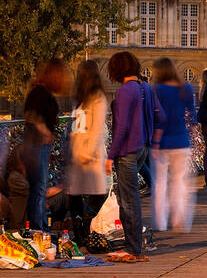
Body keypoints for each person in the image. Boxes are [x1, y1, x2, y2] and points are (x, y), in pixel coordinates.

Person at [105, 51, 164, 262]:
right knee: (131, 198)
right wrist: (152, 141)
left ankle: (133, 248)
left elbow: (121, 127)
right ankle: (134, 245)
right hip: (143, 148)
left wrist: (111, 156)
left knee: (128, 200)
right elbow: (160, 115)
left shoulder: (125, 91)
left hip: (128, 151)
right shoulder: (145, 87)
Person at [21, 58, 71, 231]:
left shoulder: (40, 91)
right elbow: (31, 115)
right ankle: (39, 228)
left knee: (38, 188)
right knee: (39, 188)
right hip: (37, 145)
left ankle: (39, 226)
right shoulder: (40, 92)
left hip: (38, 146)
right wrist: (46, 132)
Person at [150, 57, 198, 233]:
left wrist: (154, 142)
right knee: (179, 182)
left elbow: (156, 117)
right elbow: (193, 117)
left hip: (161, 142)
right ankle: (179, 220)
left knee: (160, 183)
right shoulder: (185, 88)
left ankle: (160, 222)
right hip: (181, 141)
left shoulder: (157, 90)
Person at [67, 60, 108, 247]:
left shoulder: (97, 98)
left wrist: (88, 151)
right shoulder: (81, 99)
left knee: (95, 196)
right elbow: (76, 127)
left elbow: (97, 127)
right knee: (75, 196)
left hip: (90, 156)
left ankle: (91, 233)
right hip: (79, 155)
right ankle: (81, 234)